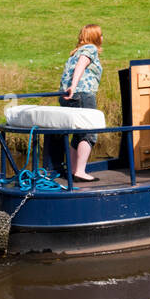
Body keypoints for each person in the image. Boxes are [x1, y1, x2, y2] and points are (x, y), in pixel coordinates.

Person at [60, 24, 104, 182]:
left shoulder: (74, 53)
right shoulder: (90, 49)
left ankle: (72, 170)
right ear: (95, 37)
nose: (103, 38)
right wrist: (74, 86)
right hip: (82, 94)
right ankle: (80, 171)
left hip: (67, 96)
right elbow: (81, 66)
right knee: (90, 133)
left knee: (78, 134)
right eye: (101, 35)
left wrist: (69, 89)